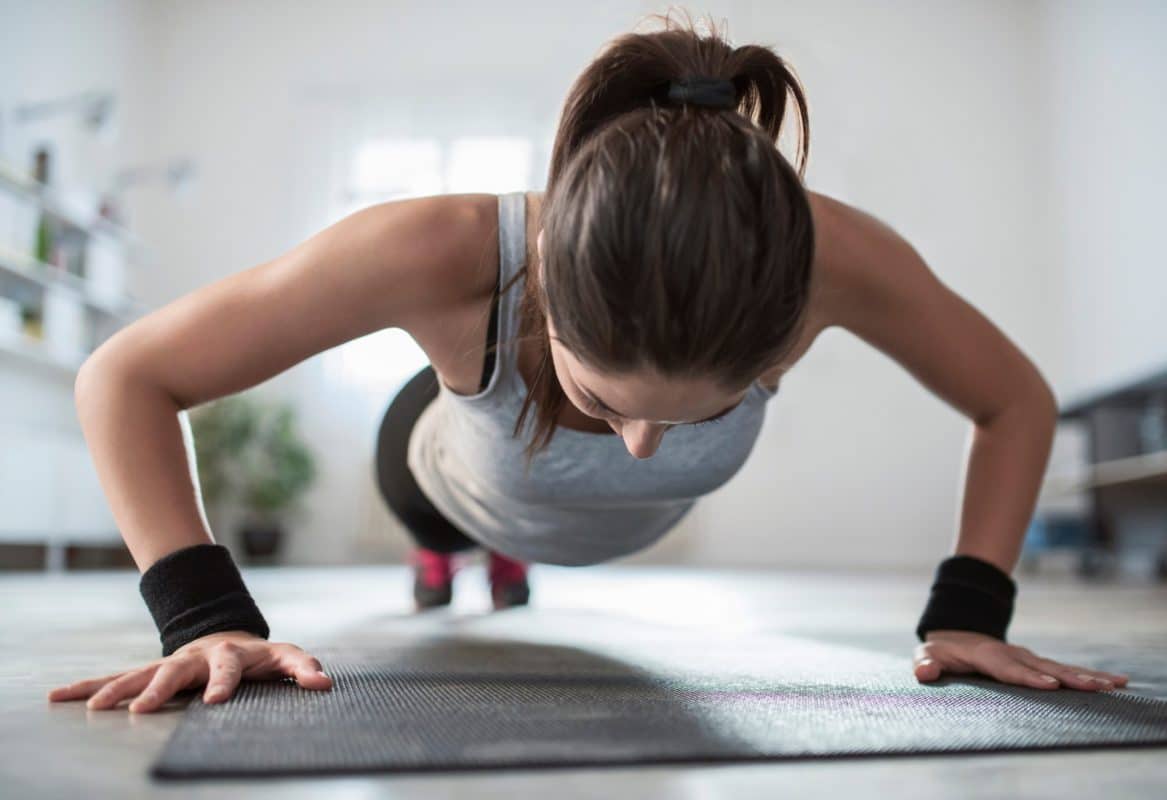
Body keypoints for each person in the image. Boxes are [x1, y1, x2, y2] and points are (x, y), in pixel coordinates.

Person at [48, 12, 1128, 715]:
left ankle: (508, 556)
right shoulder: (438, 249)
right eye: (604, 402)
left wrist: (969, 610)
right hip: (443, 466)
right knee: (442, 515)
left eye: (694, 416)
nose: (644, 447)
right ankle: (455, 555)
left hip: (581, 518)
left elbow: (1013, 400)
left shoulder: (827, 260)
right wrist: (204, 615)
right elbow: (124, 375)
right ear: (549, 292)